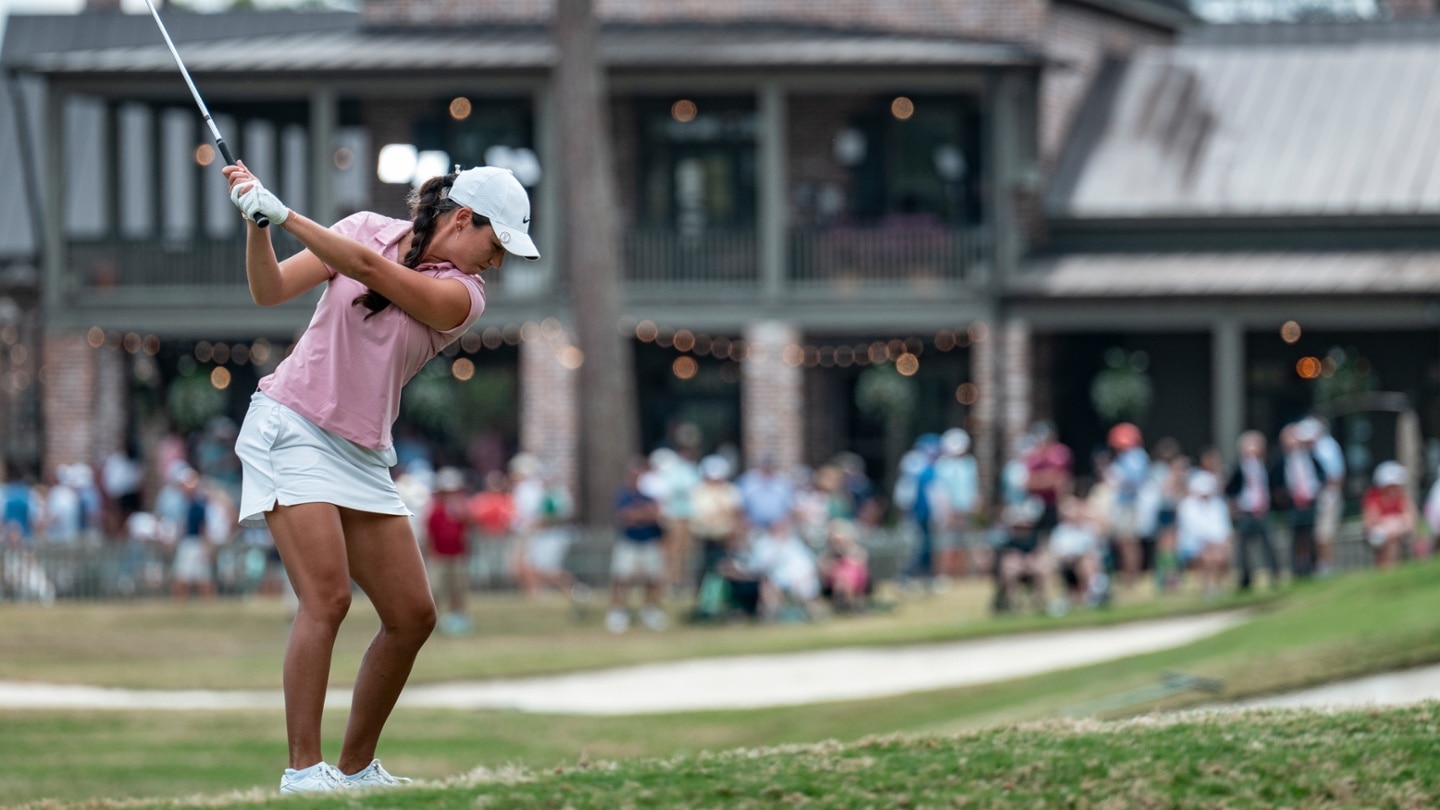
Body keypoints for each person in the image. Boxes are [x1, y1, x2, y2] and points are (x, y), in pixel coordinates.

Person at [223, 160, 537, 793]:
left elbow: (371, 272)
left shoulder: (465, 296)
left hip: (361, 450)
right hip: (292, 424)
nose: (498, 260)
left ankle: (356, 768)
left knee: (413, 614)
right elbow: (270, 290)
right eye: (496, 243)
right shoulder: (364, 227)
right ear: (464, 219)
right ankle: (303, 772)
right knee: (328, 598)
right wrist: (259, 225)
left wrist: (285, 214)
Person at [608, 456, 668, 633]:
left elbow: (657, 513)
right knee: (622, 578)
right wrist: (645, 514)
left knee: (653, 578)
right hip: (629, 541)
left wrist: (642, 514)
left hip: (650, 540)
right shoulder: (624, 493)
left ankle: (651, 611)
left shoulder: (652, 491)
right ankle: (618, 612)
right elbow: (626, 516)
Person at [1224, 430, 1281, 592]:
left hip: (1262, 511)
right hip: (1246, 511)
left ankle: (1274, 574)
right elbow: (1230, 489)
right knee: (1243, 547)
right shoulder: (1238, 467)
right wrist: (1235, 506)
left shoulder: (1265, 465)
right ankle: (1245, 578)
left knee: (1267, 544)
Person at [425, 467, 472, 635]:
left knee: (457, 590)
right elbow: (430, 534)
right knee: (436, 589)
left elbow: (468, 529)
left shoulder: (461, 510)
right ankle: (434, 620)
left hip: (458, 555)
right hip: (440, 556)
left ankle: (457, 618)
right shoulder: (435, 511)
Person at [1175, 471, 1232, 599]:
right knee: (1209, 556)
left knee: (1219, 555)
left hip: (1215, 544)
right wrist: (1210, 543)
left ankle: (1217, 588)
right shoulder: (1187, 506)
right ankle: (1206, 589)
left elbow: (1223, 529)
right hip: (1193, 545)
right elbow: (1192, 531)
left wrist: (1220, 543)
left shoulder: (1218, 504)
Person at [1362, 461, 1419, 569]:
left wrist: (1395, 525)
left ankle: (1390, 568)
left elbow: (1410, 518)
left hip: (1398, 532)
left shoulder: (1402, 496)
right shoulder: (1373, 496)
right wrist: (1392, 523)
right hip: (1377, 534)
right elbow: (1371, 521)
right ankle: (1387, 568)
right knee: (1387, 539)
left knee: (1394, 539)